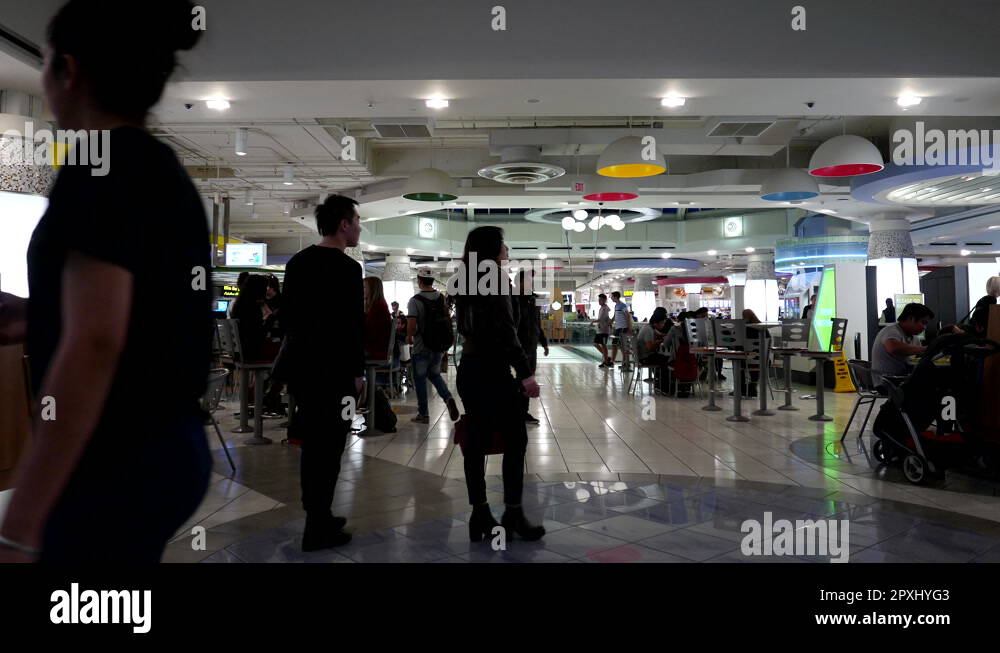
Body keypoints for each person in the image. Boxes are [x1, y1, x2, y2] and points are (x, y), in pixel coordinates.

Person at [0, 0, 210, 563]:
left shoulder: (99, 168)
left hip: (114, 452)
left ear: (67, 70)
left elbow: (96, 343)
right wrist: (32, 315)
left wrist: (19, 523)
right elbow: (138, 315)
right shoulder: (156, 168)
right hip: (164, 445)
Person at [282, 194, 366, 551]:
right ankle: (318, 525)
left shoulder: (298, 262)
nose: (360, 227)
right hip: (336, 373)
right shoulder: (348, 269)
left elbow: (289, 320)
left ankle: (317, 513)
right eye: (357, 221)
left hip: (304, 370)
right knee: (331, 445)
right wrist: (358, 373)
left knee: (313, 444)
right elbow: (351, 327)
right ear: (344, 224)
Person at [454, 226, 544, 543]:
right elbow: (507, 332)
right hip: (493, 371)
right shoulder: (495, 280)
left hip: (470, 369)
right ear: (494, 249)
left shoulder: (463, 279)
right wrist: (526, 374)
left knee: (476, 443)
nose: (507, 249)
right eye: (504, 244)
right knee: (516, 440)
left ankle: (480, 514)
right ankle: (513, 512)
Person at [407, 267, 460, 424]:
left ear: (420, 281)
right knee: (435, 375)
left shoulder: (415, 300)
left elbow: (411, 325)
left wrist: (410, 336)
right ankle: (448, 397)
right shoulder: (441, 298)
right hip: (438, 345)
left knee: (420, 379)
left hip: (421, 346)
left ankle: (423, 414)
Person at [870, 302, 933, 390]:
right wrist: (927, 348)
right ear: (911, 318)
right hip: (887, 382)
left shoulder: (915, 339)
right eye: (923, 322)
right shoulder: (891, 331)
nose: (924, 327)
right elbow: (893, 348)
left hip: (901, 380)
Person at [514, 268, 549, 424]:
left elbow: (537, 322)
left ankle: (522, 412)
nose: (531, 283)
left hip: (530, 345)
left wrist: (544, 342)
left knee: (527, 378)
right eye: (528, 280)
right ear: (519, 282)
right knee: (518, 378)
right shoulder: (511, 298)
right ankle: (514, 411)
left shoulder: (534, 299)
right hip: (515, 345)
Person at [635, 311, 672, 394]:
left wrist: (664, 336)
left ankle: (659, 385)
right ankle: (664, 388)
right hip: (645, 358)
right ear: (656, 323)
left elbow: (660, 334)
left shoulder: (649, 327)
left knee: (665, 358)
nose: (663, 325)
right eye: (662, 323)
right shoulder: (648, 330)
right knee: (667, 360)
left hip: (644, 356)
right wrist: (661, 341)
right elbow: (650, 347)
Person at [363, 277, 392, 362]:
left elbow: (370, 332)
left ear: (372, 289)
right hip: (377, 348)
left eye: (364, 287)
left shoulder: (378, 306)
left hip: (376, 350)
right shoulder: (378, 304)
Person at [608, 291, 633, 364]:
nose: (611, 298)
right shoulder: (616, 306)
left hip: (622, 328)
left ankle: (625, 361)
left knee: (621, 345)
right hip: (617, 328)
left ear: (615, 297)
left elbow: (627, 316)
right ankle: (614, 360)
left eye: (612, 297)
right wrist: (611, 321)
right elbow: (615, 315)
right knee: (615, 344)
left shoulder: (623, 305)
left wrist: (629, 328)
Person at [592, 293, 612, 367]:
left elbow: (601, 319)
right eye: (599, 300)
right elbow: (607, 318)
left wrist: (593, 322)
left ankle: (606, 361)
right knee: (596, 344)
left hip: (604, 330)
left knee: (603, 345)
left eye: (600, 300)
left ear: (604, 300)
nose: (599, 301)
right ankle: (606, 358)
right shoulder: (602, 308)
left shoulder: (605, 308)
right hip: (600, 330)